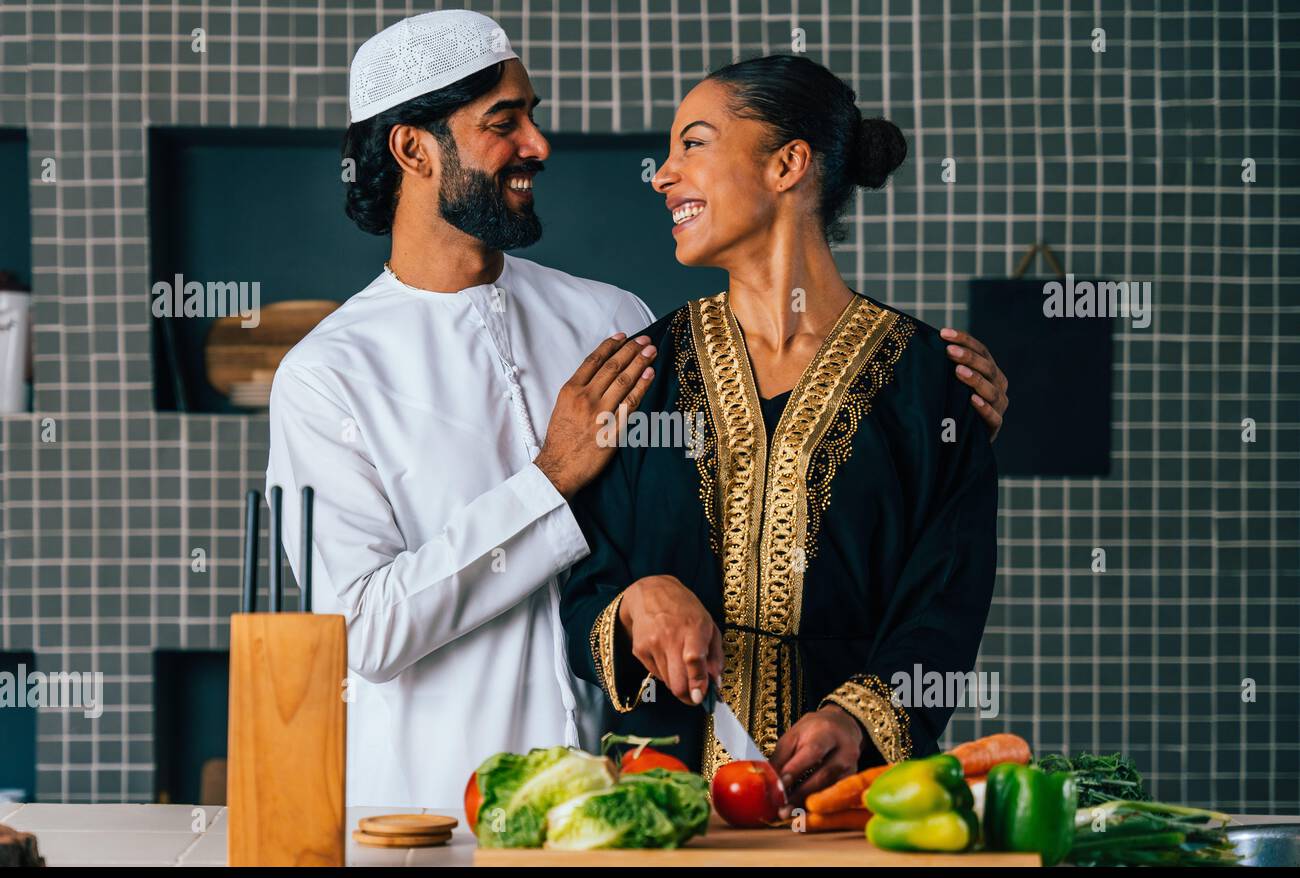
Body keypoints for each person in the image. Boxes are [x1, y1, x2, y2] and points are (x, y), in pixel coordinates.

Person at [269, 12, 1009, 810]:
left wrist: (937, 415)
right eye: (504, 123)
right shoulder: (329, 375)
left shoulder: (613, 324)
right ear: (413, 148)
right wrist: (553, 485)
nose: (539, 146)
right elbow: (362, 631)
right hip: (441, 804)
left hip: (644, 797)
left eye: (534, 115)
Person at [561, 54, 1001, 806]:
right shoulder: (643, 373)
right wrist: (637, 601)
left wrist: (856, 717)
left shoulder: (934, 385)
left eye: (692, 144)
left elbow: (945, 607)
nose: (662, 176)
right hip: (662, 814)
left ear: (788, 163)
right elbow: (580, 589)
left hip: (856, 813)